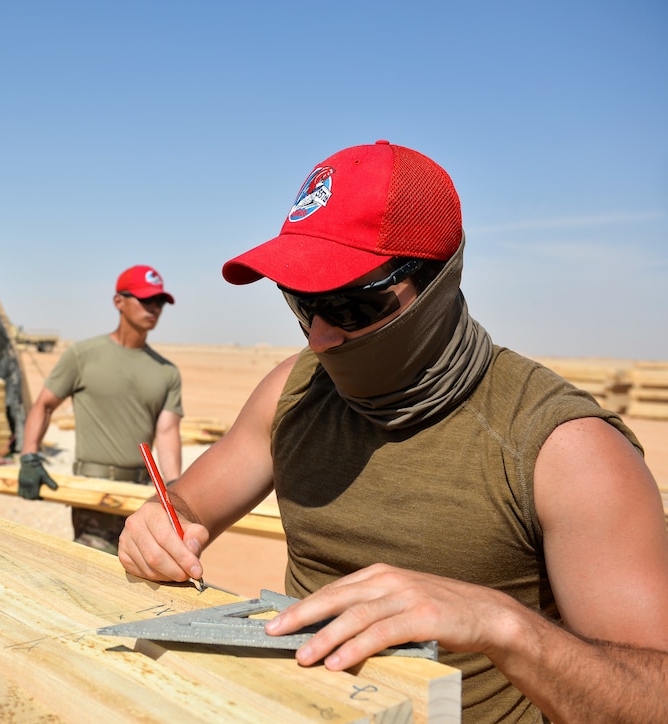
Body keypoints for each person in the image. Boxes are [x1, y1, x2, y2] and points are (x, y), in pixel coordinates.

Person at [117, 141, 668, 722]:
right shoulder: (296, 390)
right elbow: (188, 506)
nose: (320, 338)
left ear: (437, 285)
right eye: (302, 304)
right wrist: (162, 521)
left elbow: (653, 697)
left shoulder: (563, 448)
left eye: (352, 307)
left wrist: (503, 626)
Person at [18, 265, 184, 554]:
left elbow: (168, 431)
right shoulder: (82, 356)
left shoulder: (167, 372)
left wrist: (173, 487)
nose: (154, 308)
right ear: (118, 301)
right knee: (92, 570)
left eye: (159, 302)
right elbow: (44, 406)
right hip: (93, 492)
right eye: (146, 300)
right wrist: (29, 457)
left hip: (141, 494)